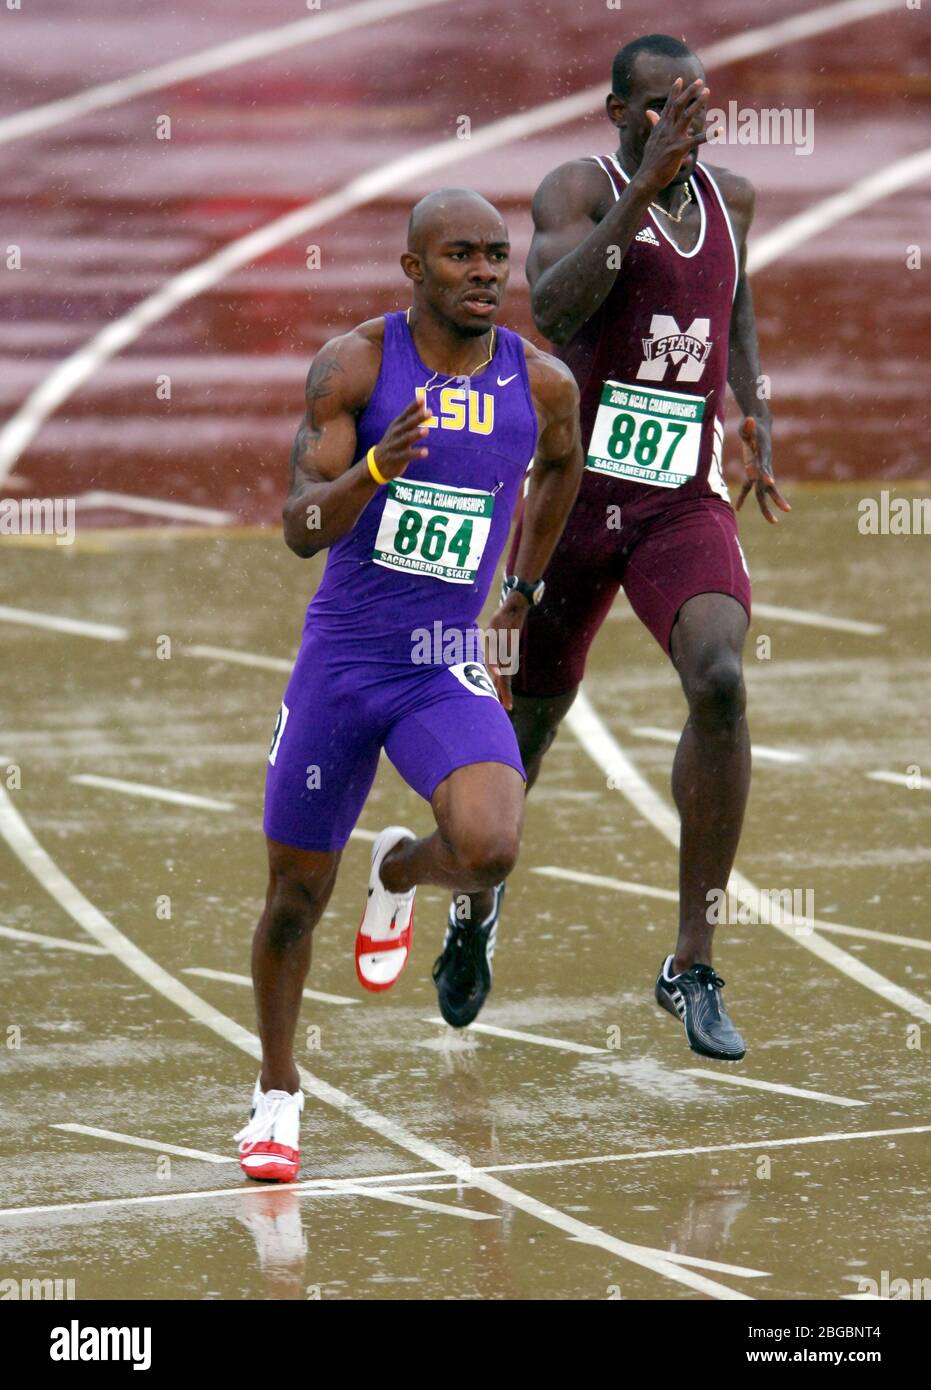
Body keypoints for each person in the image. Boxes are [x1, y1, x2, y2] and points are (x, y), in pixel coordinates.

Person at [444, 34, 790, 1062]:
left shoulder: (731, 195)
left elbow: (733, 299)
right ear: (614, 112)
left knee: (721, 676)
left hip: (676, 501)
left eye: (688, 104)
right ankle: (473, 908)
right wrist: (640, 190)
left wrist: (752, 408)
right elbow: (551, 308)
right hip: (571, 498)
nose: (673, 121)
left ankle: (691, 960)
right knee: (531, 735)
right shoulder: (575, 191)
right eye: (650, 107)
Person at [235, 188, 582, 1181]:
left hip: (442, 661)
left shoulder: (542, 384)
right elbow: (302, 530)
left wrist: (518, 591)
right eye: (460, 256)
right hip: (343, 664)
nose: (483, 273)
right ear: (413, 270)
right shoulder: (356, 365)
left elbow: (560, 467)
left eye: (496, 256)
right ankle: (276, 1090)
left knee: (489, 846)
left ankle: (397, 874)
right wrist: (374, 470)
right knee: (294, 898)